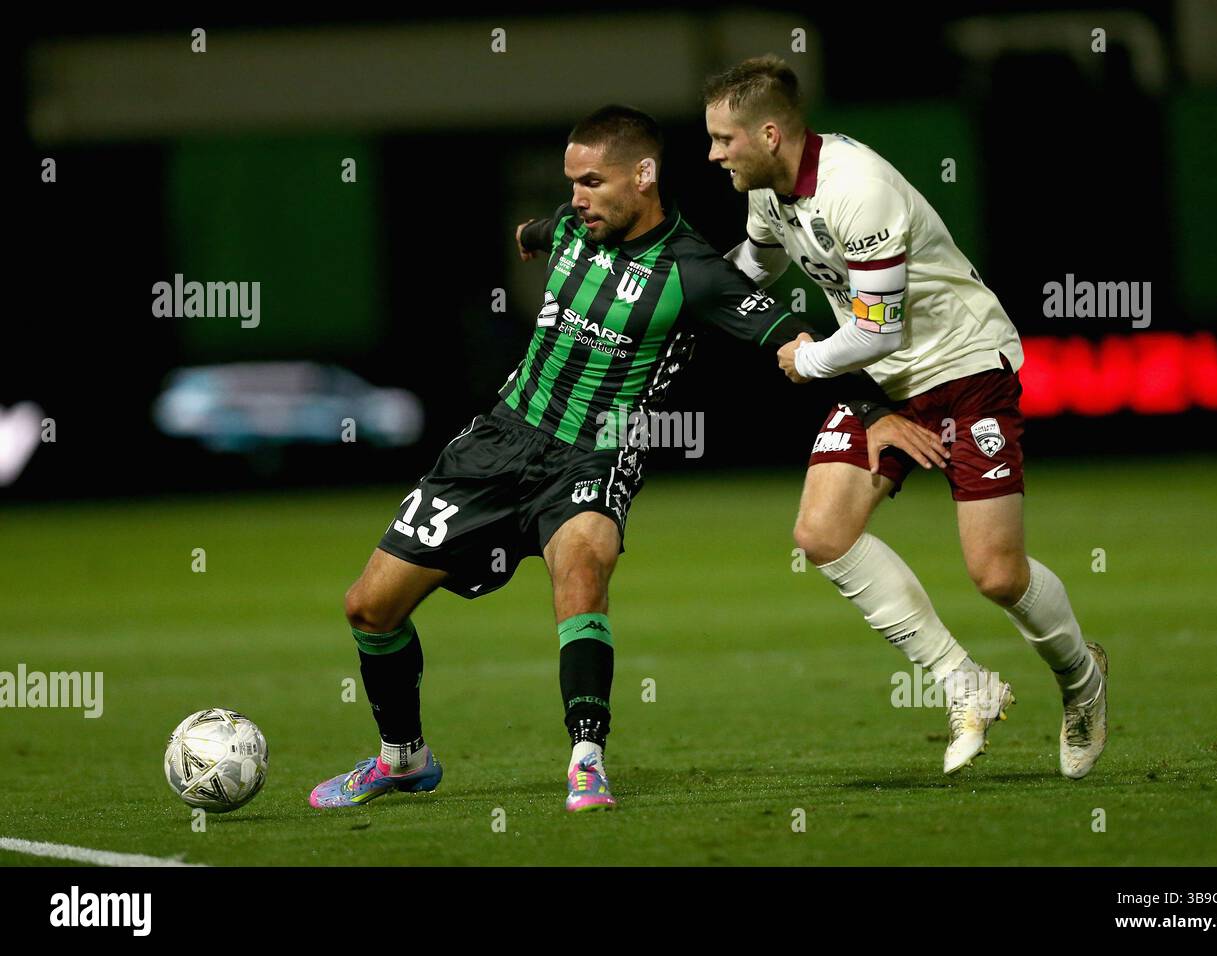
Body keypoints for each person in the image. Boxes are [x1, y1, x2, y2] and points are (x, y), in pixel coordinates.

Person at [309, 104, 918, 812]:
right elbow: (539, 229)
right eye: (571, 183)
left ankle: (587, 760)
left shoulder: (694, 274)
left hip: (594, 455)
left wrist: (874, 410)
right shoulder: (571, 227)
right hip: (497, 442)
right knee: (368, 608)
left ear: (644, 175)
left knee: (582, 569)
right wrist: (531, 236)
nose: (576, 199)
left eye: (591, 182)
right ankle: (403, 759)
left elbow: (794, 335)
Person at [704, 56, 1107, 777]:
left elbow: (876, 330)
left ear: (768, 133)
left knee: (996, 574)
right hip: (881, 382)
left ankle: (1082, 680)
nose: (714, 154)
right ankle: (965, 684)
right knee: (821, 534)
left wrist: (805, 361)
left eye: (723, 140)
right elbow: (753, 268)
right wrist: (679, 288)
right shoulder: (767, 194)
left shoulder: (857, 190)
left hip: (964, 368)